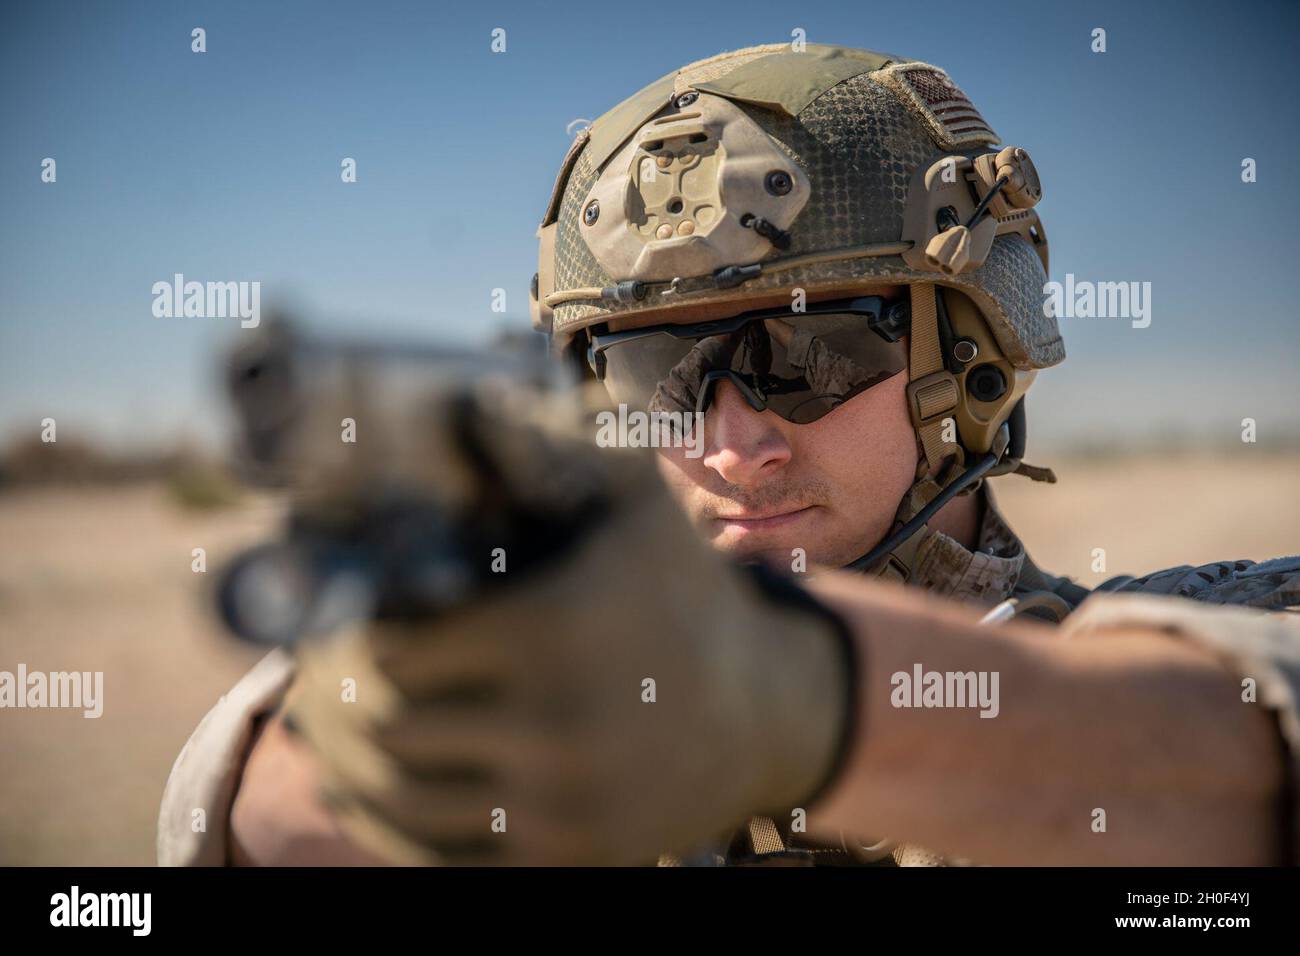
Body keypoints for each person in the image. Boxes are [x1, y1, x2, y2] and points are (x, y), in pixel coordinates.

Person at [159, 43, 1300, 867]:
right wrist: (387, 735)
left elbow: (1221, 759)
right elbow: (269, 809)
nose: (729, 441)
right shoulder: (558, 693)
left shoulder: (1201, 653)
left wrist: (806, 703)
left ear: (973, 359)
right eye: (659, 375)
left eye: (810, 351)